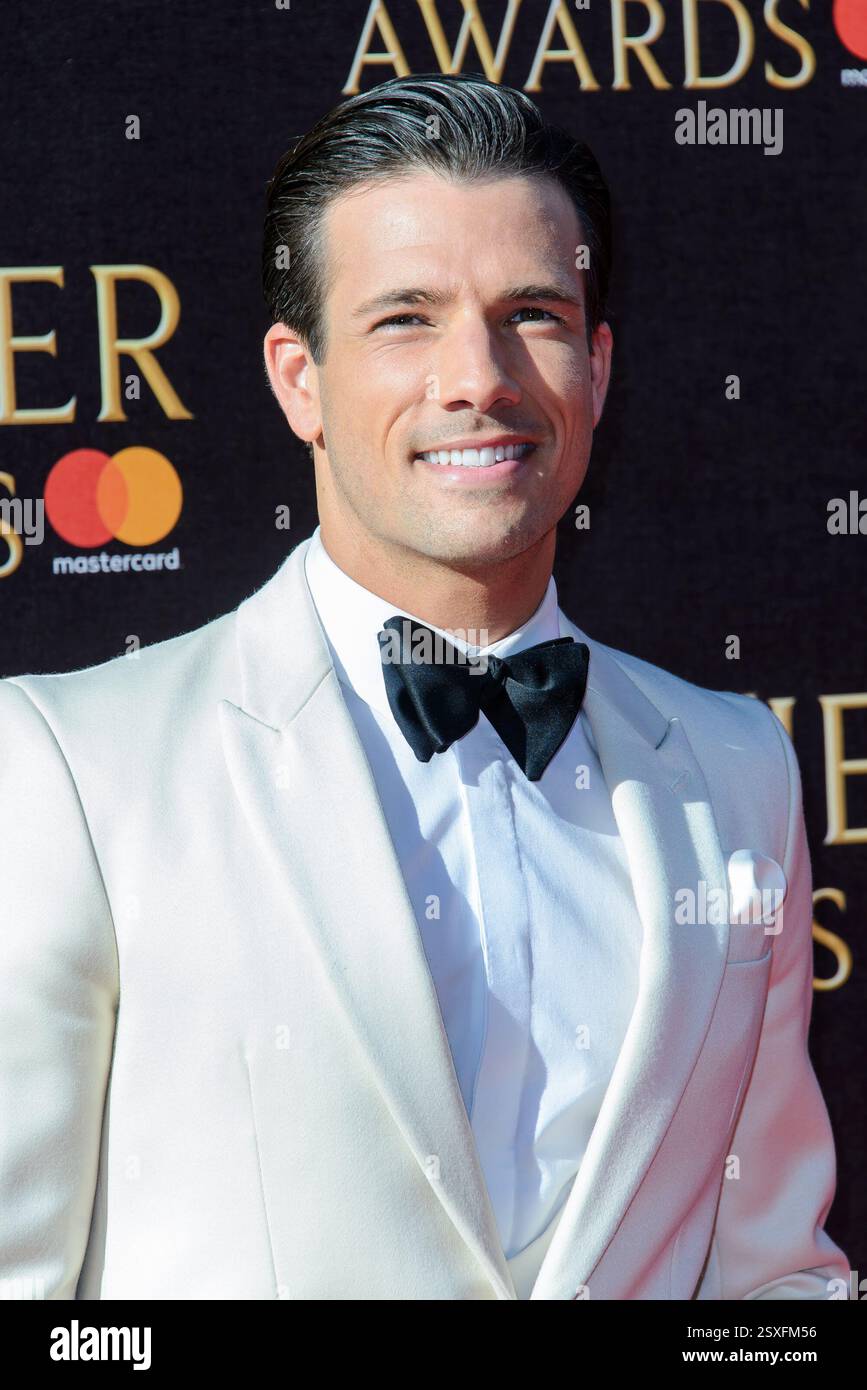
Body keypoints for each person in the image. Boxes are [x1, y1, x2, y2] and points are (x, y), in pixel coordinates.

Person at [0, 73, 849, 1301]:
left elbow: (773, 1281)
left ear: (598, 366)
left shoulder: (737, 772)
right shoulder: (75, 771)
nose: (478, 378)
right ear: (299, 377)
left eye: (532, 314)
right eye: (406, 318)